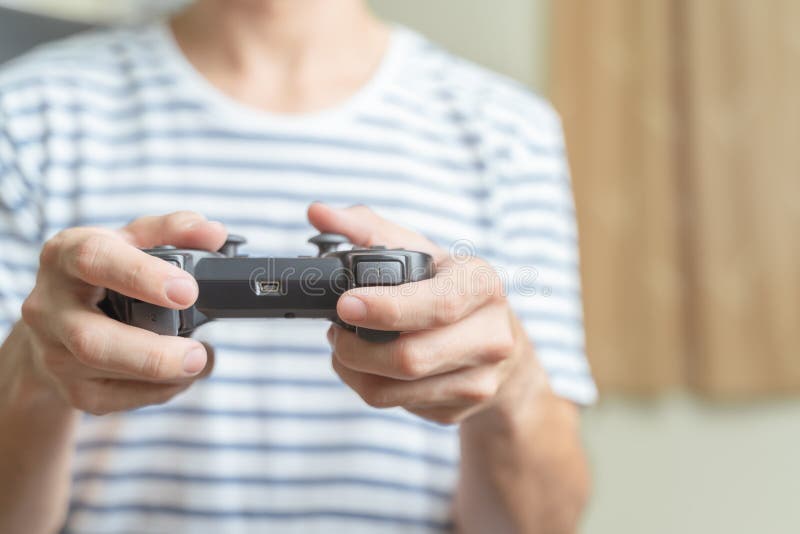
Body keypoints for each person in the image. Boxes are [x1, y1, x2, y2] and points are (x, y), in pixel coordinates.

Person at [0, 1, 596, 532]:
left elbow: (544, 526)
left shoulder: (510, 133)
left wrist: (511, 388)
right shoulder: (24, 116)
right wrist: (33, 373)